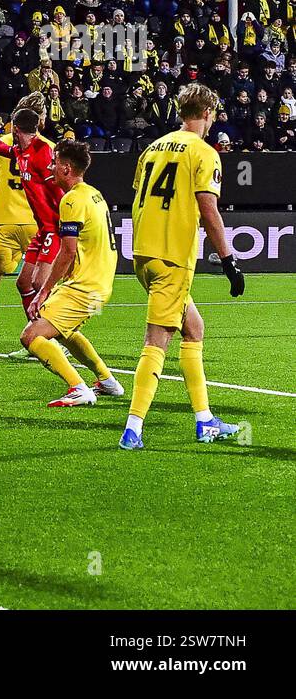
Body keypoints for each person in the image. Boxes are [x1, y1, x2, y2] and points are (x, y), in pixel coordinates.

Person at [121, 85, 246, 450]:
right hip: (173, 256)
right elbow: (209, 208)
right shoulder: (204, 153)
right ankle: (133, 428)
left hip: (144, 252)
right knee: (156, 341)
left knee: (194, 329)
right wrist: (228, 260)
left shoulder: (152, 148)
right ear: (207, 113)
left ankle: (204, 420)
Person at [19, 139, 125, 406]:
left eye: (55, 163)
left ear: (66, 168)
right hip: (98, 284)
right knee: (65, 331)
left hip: (85, 287)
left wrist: (43, 292)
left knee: (31, 336)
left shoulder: (71, 200)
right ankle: (106, 381)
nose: (51, 167)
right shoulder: (94, 194)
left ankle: (78, 388)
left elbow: (67, 251)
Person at [0, 94, 47, 351]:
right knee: (45, 283)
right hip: (38, 225)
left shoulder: (5, 144)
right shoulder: (48, 147)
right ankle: (48, 335)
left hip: (4, 221)